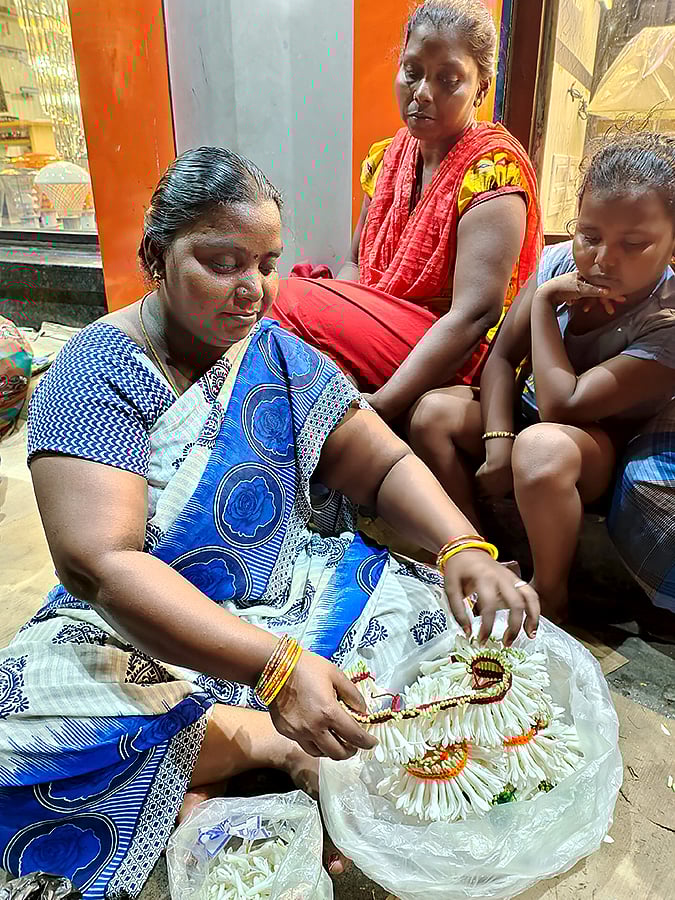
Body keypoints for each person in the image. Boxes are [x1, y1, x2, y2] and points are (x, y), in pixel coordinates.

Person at [0, 147, 539, 897]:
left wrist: (460, 545)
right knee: (29, 715)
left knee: (440, 627)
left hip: (284, 603)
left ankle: (209, 767)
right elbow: (101, 565)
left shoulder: (277, 354)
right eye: (222, 262)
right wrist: (274, 673)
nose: (251, 289)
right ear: (155, 256)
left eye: (266, 263)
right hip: (139, 635)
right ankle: (265, 746)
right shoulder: (98, 371)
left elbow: (378, 464)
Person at [408, 132, 675, 628]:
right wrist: (497, 439)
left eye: (634, 244)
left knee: (541, 448)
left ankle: (550, 592)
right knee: (432, 414)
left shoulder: (665, 321)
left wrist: (548, 304)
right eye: (589, 235)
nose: (603, 259)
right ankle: (477, 553)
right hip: (530, 421)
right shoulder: (558, 263)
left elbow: (563, 405)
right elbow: (501, 357)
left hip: (593, 451)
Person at [270, 0, 542, 425]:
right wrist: (338, 330)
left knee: (285, 296)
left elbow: (476, 316)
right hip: (386, 327)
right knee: (289, 334)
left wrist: (383, 403)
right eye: (412, 72)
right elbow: (355, 263)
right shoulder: (388, 158)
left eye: (448, 80)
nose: (422, 93)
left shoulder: (492, 172)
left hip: (454, 350)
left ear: (482, 89)